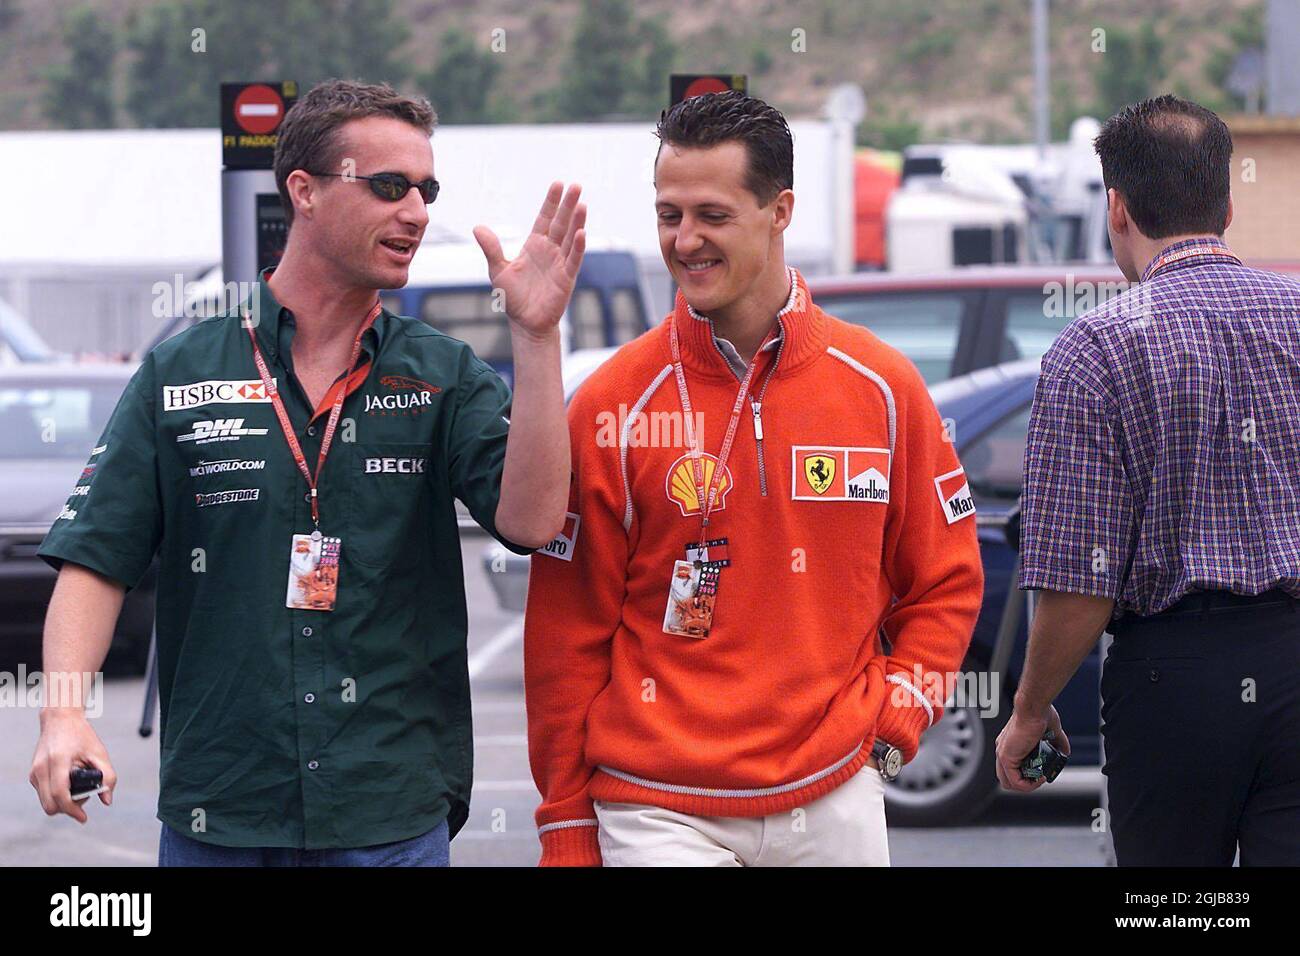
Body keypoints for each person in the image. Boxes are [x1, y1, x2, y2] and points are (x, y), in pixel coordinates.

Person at [30, 78, 584, 866]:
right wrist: (62, 715)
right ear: (305, 192)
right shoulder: (182, 371)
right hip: (222, 811)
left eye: (427, 190)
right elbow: (96, 556)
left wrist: (536, 337)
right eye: (390, 186)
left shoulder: (441, 373)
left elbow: (531, 522)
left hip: (388, 811)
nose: (419, 213)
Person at [524, 91, 984, 867]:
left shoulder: (881, 385)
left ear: (781, 211)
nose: (685, 239)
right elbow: (566, 638)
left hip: (837, 788)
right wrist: (566, 825)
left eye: (712, 214)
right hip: (655, 807)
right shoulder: (611, 404)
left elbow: (944, 580)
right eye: (669, 215)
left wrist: (902, 709)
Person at [997, 94, 1300, 866]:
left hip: (1173, 681)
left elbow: (1081, 583)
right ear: (1228, 205)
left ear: (1117, 208)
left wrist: (1031, 710)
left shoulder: (1092, 350)